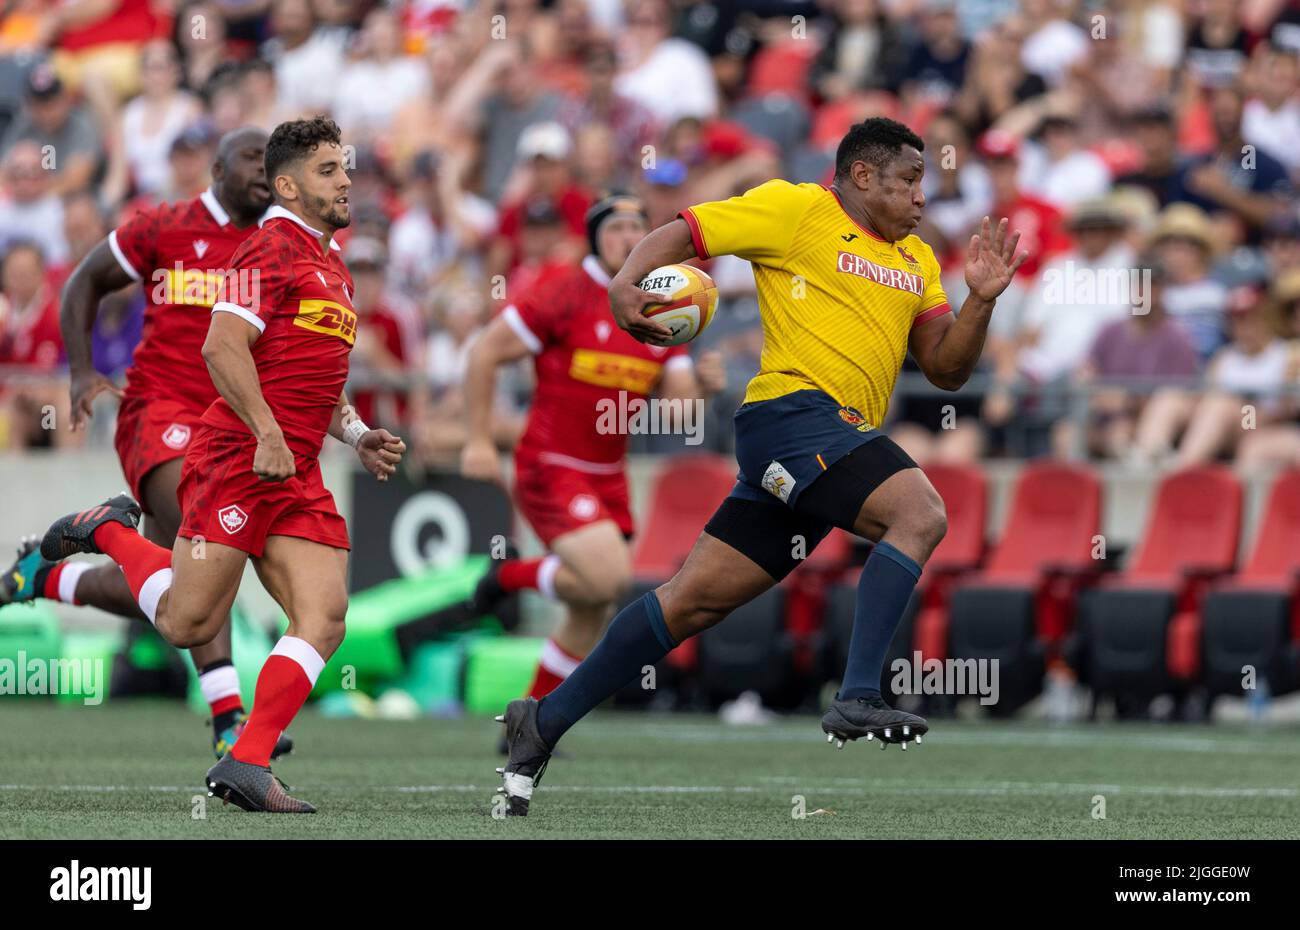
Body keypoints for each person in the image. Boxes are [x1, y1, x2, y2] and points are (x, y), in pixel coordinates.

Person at [498, 118, 1027, 815]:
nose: (922, 198)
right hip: (791, 418)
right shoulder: (796, 208)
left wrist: (981, 301)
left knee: (691, 600)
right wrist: (628, 281)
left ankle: (541, 722)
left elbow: (948, 369)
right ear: (862, 177)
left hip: (829, 445)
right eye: (909, 181)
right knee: (920, 512)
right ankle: (860, 693)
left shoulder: (918, 261)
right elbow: (686, 230)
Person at [36, 117, 406, 813]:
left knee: (325, 617)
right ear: (290, 185)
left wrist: (355, 433)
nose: (346, 179)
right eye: (329, 170)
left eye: (345, 167)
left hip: (295, 471)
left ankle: (247, 762)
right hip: (239, 457)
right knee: (184, 622)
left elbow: (318, 376)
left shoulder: (333, 264)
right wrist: (265, 430)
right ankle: (112, 529)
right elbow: (221, 347)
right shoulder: (268, 248)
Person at [1, 127, 288, 761]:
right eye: (249, 157)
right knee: (205, 533)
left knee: (174, 593)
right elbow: (83, 281)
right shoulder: (167, 224)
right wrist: (80, 370)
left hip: (230, 430)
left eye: (271, 161)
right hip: (158, 412)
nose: (263, 169)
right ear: (215, 168)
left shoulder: (277, 245)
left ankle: (45, 579)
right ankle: (229, 717)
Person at [460, 193, 723, 731]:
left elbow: (678, 416)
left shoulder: (662, 305)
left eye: (637, 228)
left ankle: (526, 723)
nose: (628, 238)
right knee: (607, 577)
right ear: (595, 237)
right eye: (616, 228)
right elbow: (485, 351)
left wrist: (704, 388)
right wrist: (480, 441)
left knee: (592, 608)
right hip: (551, 463)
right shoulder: (564, 292)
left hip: (609, 475)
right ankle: (510, 577)